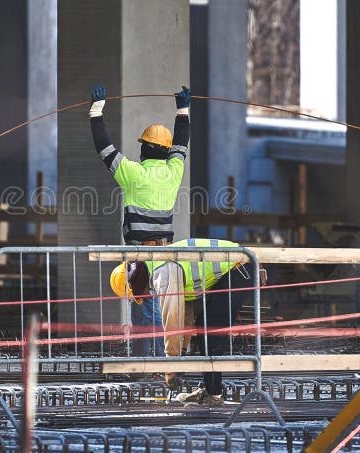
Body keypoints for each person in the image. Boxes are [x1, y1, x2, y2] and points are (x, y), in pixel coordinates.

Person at [90, 84, 191, 358]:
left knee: (147, 317)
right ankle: (148, 366)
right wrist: (183, 110)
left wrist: (96, 111)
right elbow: (181, 145)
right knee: (153, 315)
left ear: (145, 148)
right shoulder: (174, 172)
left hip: (141, 258)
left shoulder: (133, 174)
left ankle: (154, 368)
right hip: (167, 258)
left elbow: (105, 149)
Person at [110, 238, 257, 406]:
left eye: (139, 294)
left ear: (136, 283)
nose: (145, 296)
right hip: (236, 265)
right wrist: (182, 351)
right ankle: (209, 389)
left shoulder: (162, 271)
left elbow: (172, 319)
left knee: (210, 328)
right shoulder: (158, 266)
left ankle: (213, 394)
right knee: (204, 325)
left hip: (239, 266)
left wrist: (172, 364)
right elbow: (185, 312)